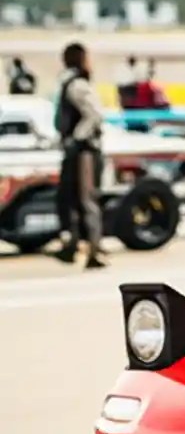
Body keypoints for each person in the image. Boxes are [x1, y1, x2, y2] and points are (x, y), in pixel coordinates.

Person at [51, 42, 107, 270]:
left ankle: (93, 248)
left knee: (85, 199)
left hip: (83, 152)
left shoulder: (76, 85)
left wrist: (76, 138)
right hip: (77, 149)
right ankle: (76, 244)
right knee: (71, 198)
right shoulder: (73, 83)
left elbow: (94, 114)